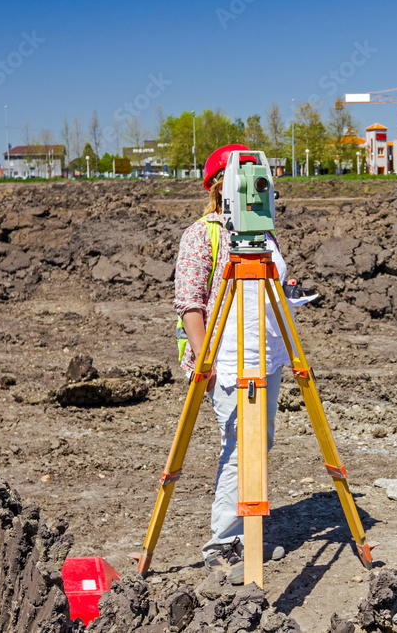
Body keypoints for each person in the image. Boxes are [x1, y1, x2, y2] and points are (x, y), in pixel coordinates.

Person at [173, 143, 289, 585]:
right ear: (220, 185)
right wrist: (203, 365)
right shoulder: (201, 236)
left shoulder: (265, 234)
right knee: (240, 445)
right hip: (223, 358)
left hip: (265, 355)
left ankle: (249, 537)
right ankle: (222, 545)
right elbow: (190, 305)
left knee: (261, 442)